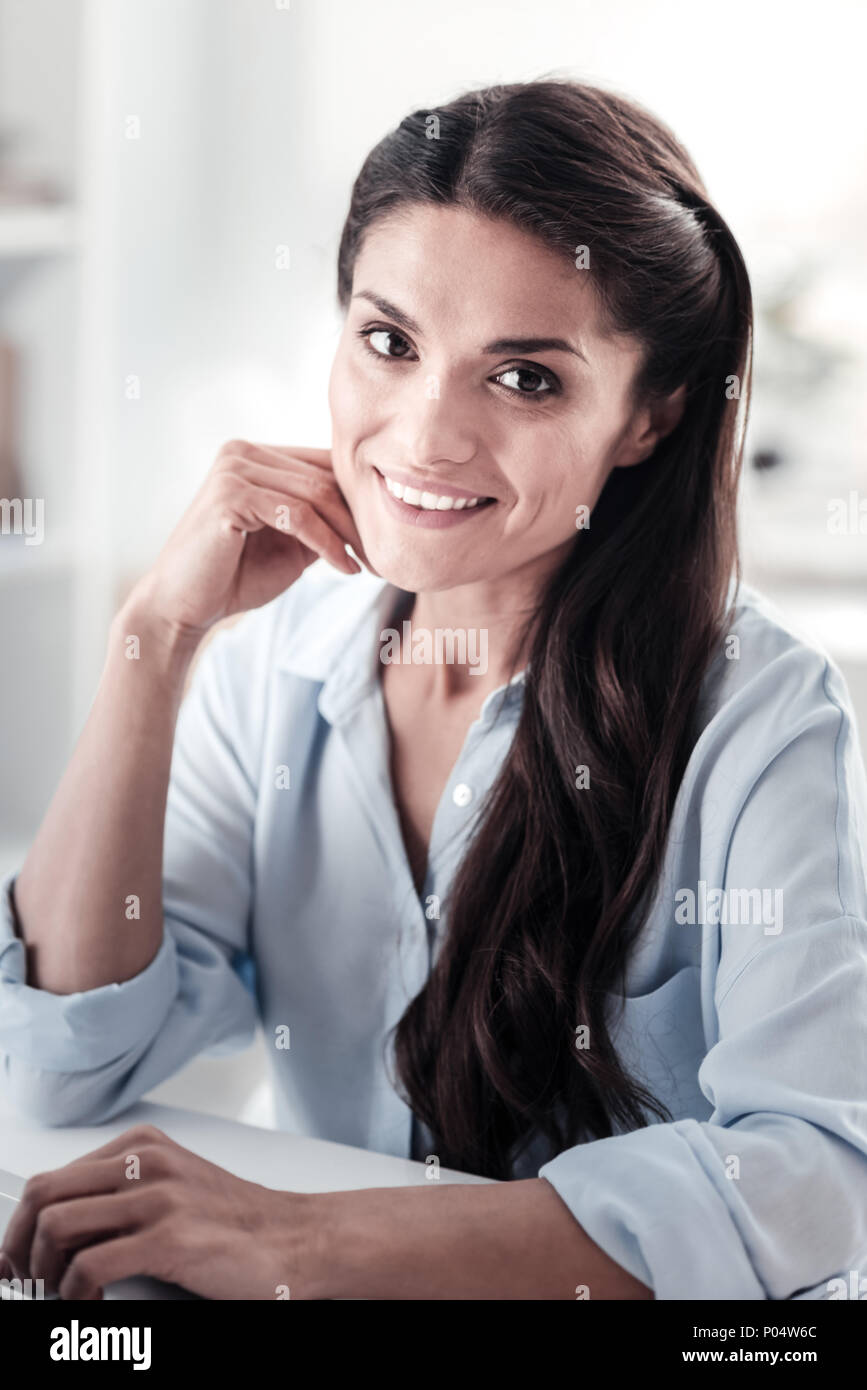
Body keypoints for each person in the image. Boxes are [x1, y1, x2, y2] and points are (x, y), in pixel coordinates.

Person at [1, 78, 866, 1301]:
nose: (424, 436)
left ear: (649, 418)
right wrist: (152, 635)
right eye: (389, 342)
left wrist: (302, 1242)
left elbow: (814, 1176)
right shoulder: (276, 659)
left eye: (524, 379)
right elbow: (63, 1064)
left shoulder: (758, 716)